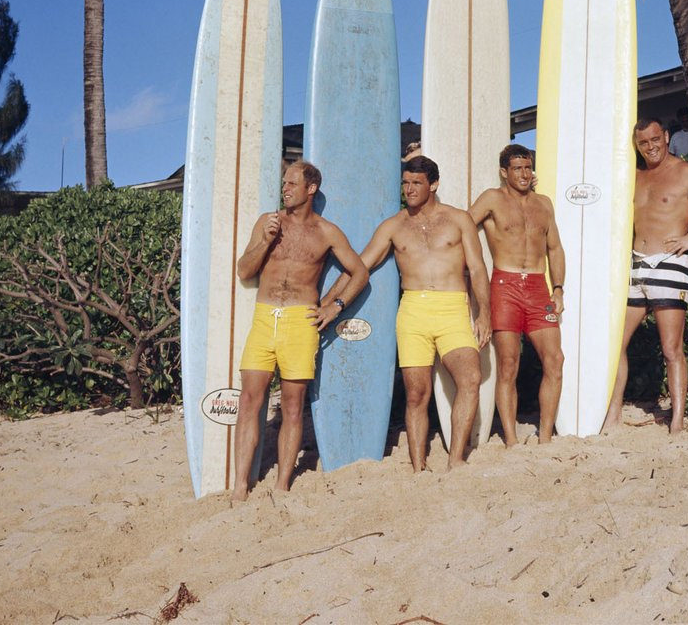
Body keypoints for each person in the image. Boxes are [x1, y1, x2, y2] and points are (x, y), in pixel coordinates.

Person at [328, 156, 491, 471]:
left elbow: (478, 269)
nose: (409, 189)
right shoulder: (394, 225)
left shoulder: (458, 220)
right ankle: (419, 468)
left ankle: (456, 459)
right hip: (413, 310)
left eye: (416, 183)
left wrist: (484, 313)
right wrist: (330, 301)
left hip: (452, 307)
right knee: (417, 392)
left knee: (470, 377)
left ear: (434, 184)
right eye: (405, 183)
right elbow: (360, 265)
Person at [231, 160, 368, 501]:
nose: (285, 188)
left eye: (292, 183)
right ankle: (239, 486)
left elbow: (359, 272)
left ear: (311, 189)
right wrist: (265, 241)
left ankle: (282, 485)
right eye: (283, 183)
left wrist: (333, 308)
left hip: (300, 323)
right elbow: (244, 271)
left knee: (293, 406)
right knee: (250, 400)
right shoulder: (268, 221)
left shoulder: (326, 232)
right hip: (264, 318)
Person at [601, 118, 688, 435]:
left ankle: (676, 421)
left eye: (655, 140)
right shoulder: (633, 177)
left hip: (670, 263)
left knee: (671, 348)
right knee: (614, 345)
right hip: (633, 263)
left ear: (666, 136)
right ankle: (614, 414)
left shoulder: (687, 173)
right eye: (643, 143)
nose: (651, 147)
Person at [468, 144, 566, 446]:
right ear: (504, 172)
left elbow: (554, 248)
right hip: (505, 286)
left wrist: (559, 288)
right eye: (518, 168)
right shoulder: (491, 199)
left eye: (528, 167)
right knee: (509, 363)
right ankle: (511, 440)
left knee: (555, 360)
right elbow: (461, 228)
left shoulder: (544, 204)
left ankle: (545, 437)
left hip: (538, 287)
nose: (524, 174)